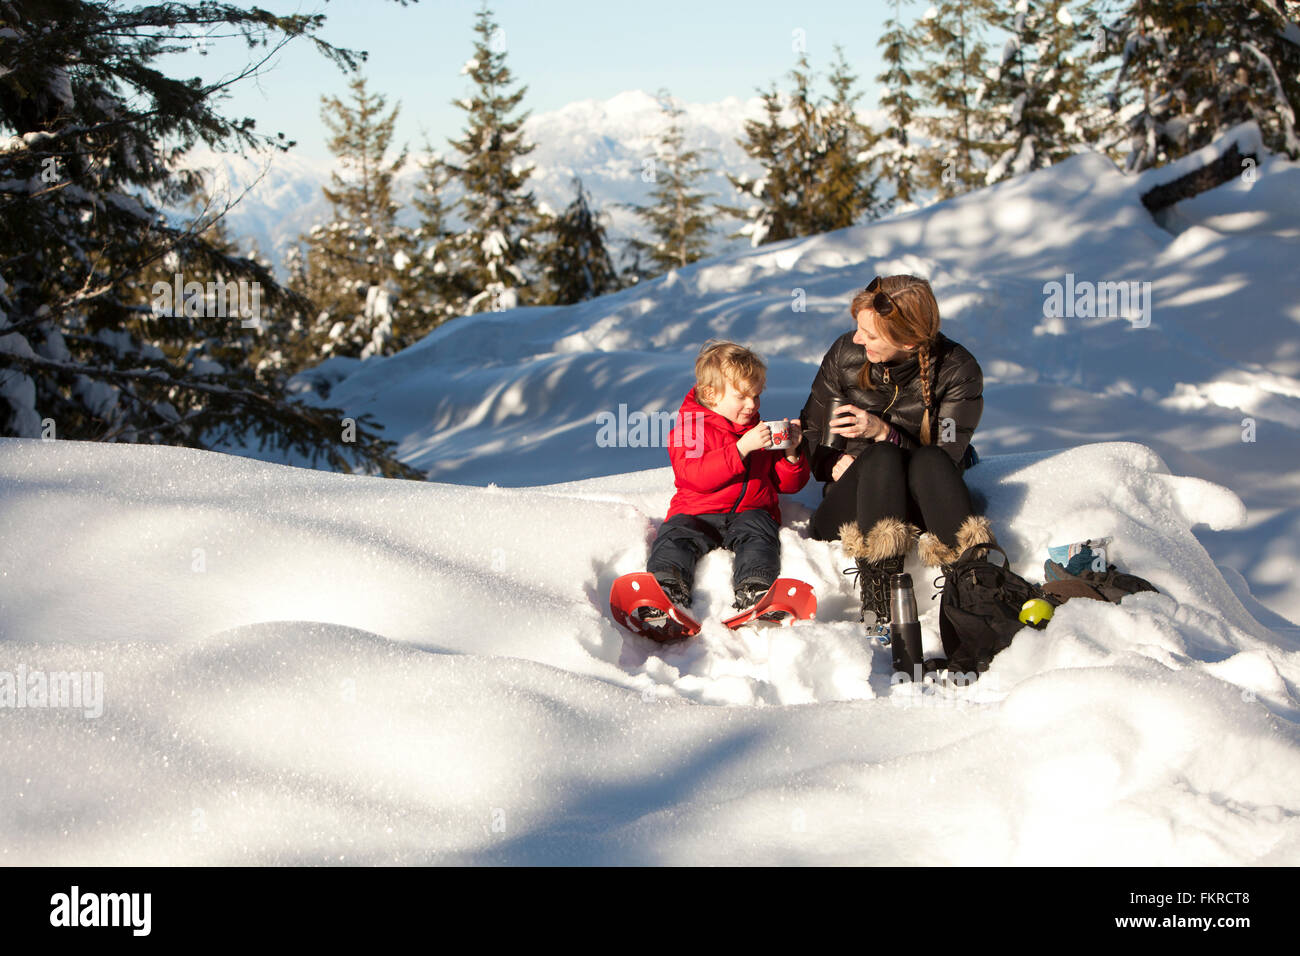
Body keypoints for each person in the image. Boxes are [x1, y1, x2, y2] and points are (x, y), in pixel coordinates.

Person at [797, 275, 997, 646]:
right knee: (881, 457)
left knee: (922, 458)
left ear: (907, 341)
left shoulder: (957, 370)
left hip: (923, 503)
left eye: (870, 336)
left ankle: (974, 592)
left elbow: (946, 460)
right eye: (858, 329)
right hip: (850, 509)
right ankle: (879, 598)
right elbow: (812, 432)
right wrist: (829, 463)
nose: (858, 340)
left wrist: (882, 431)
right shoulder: (845, 354)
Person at [643, 340, 811, 620]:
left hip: (750, 512)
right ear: (711, 395)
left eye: (756, 396)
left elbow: (786, 485)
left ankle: (756, 589)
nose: (752, 405)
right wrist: (741, 449)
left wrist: (791, 455)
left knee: (760, 536)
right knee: (676, 538)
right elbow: (693, 475)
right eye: (742, 397)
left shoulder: (758, 430)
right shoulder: (691, 428)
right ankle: (666, 589)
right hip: (697, 513)